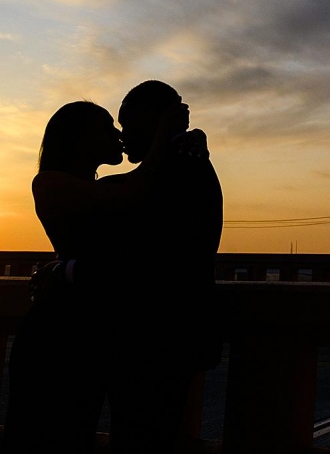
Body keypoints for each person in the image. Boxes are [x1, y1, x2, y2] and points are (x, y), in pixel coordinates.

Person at [2, 97, 206, 453]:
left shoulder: (105, 185)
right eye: (108, 127)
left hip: (86, 334)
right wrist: (165, 137)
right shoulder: (49, 183)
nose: (119, 135)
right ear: (80, 138)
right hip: (56, 334)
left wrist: (186, 139)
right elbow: (135, 189)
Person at [106, 80, 224, 451]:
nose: (123, 136)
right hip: (167, 335)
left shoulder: (174, 168)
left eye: (128, 125)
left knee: (140, 435)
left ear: (154, 122)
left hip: (153, 337)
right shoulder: (187, 160)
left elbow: (149, 257)